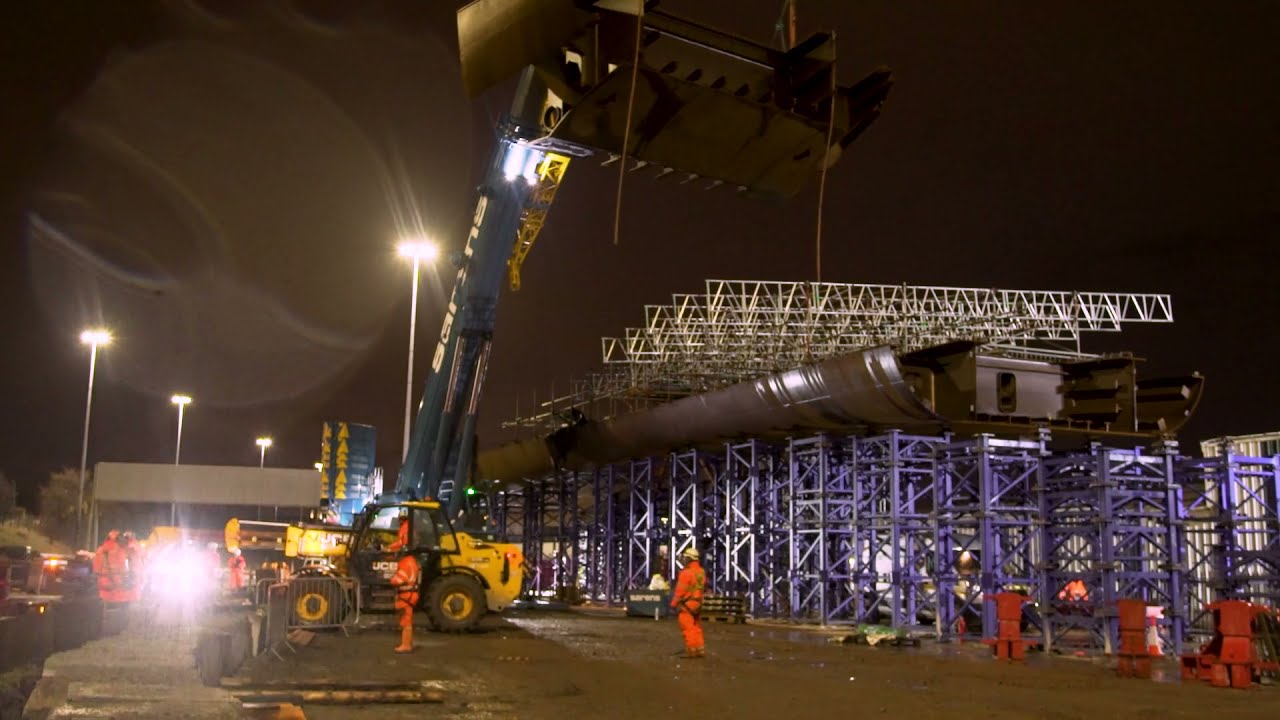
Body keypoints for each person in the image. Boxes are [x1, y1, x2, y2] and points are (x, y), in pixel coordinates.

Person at [669, 547, 706, 659]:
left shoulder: (686, 573)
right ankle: (699, 649)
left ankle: (691, 650)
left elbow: (680, 591)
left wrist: (673, 604)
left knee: (687, 627)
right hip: (697, 603)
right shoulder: (701, 572)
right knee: (696, 627)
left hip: (687, 604)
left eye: (685, 558)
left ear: (689, 559)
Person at [388, 550, 421, 653]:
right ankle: (406, 643)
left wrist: (392, 580)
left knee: (406, 620)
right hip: (411, 594)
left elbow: (399, 579)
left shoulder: (405, 562)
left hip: (406, 595)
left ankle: (406, 645)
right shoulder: (414, 562)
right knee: (406, 619)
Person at [92, 529, 131, 603]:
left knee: (106, 600)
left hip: (105, 581)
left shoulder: (101, 549)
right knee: (118, 600)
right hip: (117, 582)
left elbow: (96, 567)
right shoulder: (121, 549)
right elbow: (124, 566)